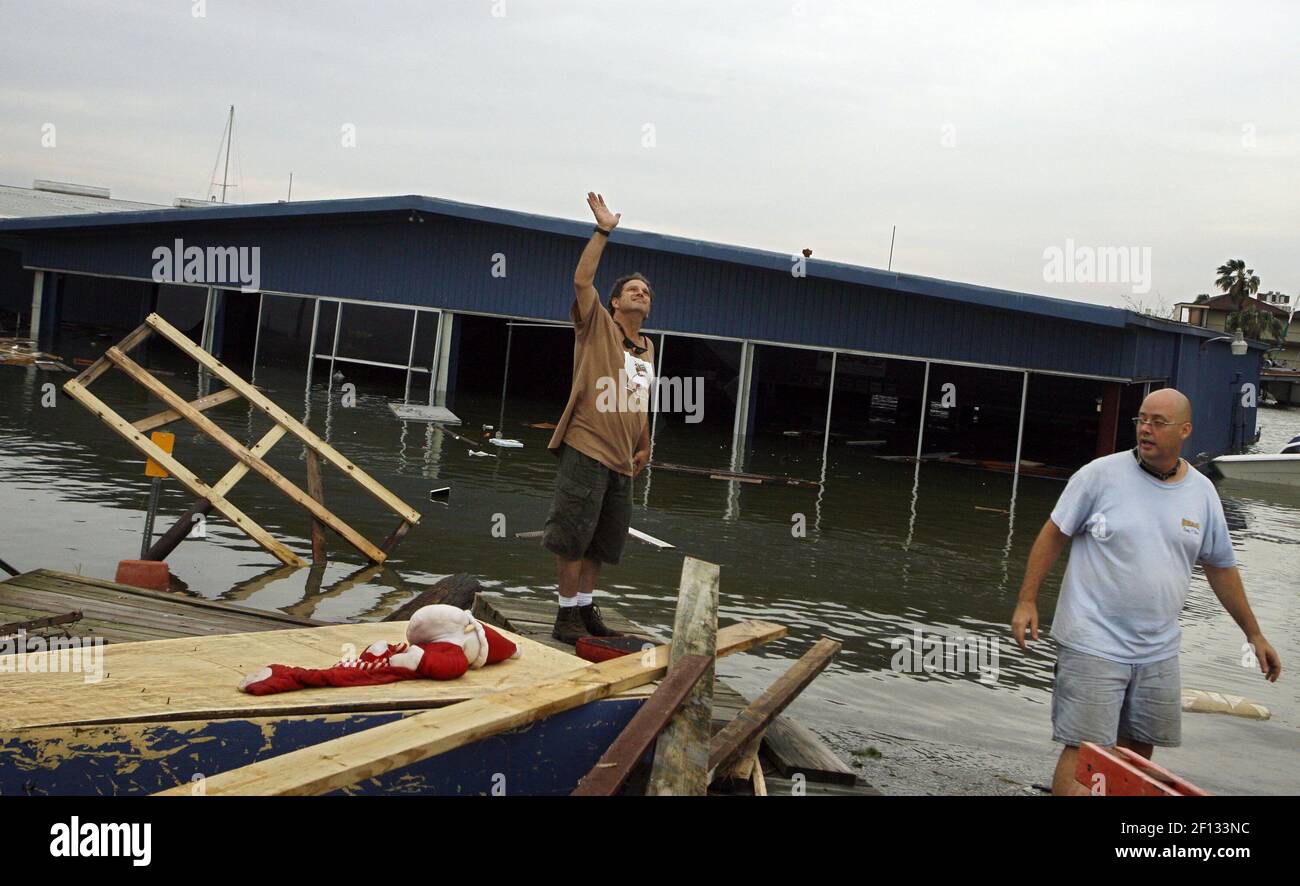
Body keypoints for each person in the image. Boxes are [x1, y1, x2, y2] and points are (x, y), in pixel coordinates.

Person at [1011, 387, 1282, 795]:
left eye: (1158, 422)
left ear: (1185, 430)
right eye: (1142, 419)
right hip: (1091, 640)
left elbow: (1221, 568)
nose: (1146, 429)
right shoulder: (1099, 476)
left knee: (1138, 750)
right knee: (1086, 749)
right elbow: (1054, 535)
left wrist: (1254, 634)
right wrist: (1027, 600)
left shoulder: (1203, 493)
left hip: (1158, 649)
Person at [542, 193, 655, 644]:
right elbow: (581, 279)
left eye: (646, 292)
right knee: (571, 534)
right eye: (633, 290)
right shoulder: (597, 326)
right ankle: (564, 613)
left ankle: (585, 609)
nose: (641, 294)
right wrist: (603, 230)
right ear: (613, 302)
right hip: (587, 446)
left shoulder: (648, 347)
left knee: (602, 542)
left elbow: (641, 398)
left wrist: (646, 444)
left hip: (623, 459)